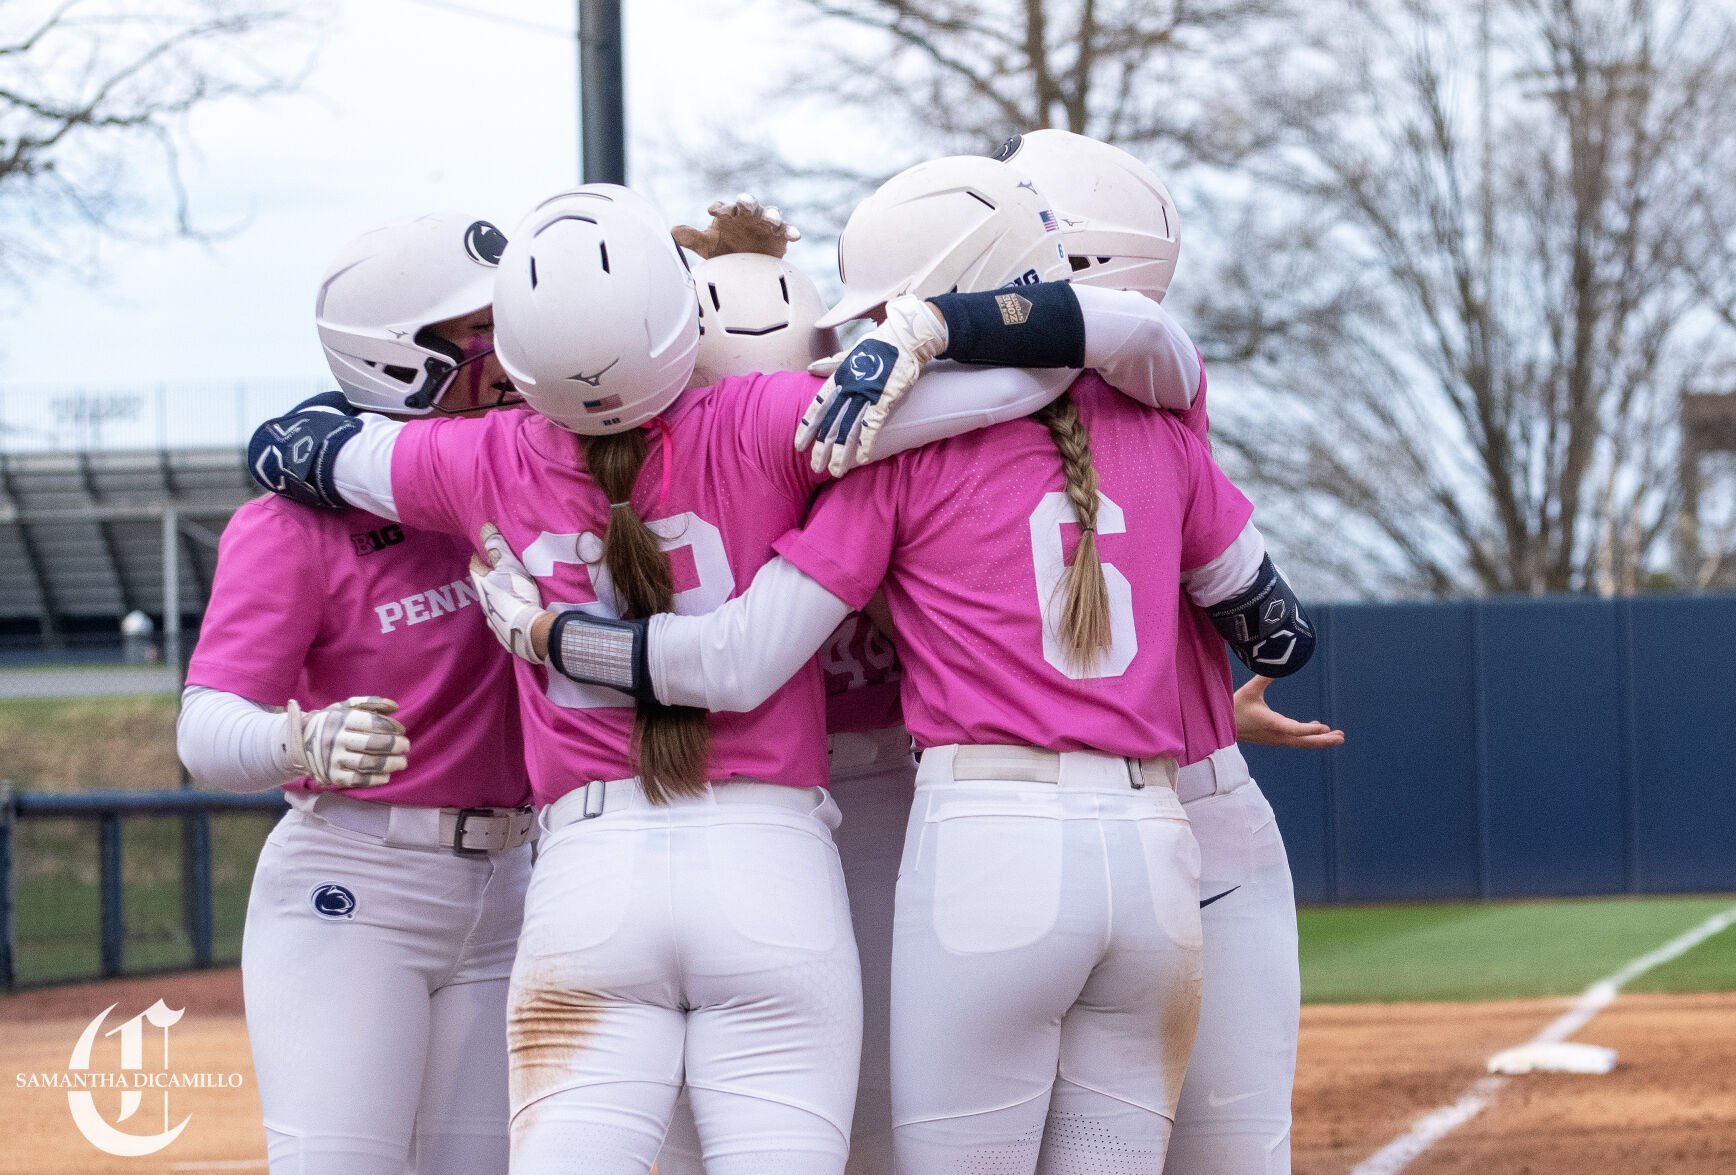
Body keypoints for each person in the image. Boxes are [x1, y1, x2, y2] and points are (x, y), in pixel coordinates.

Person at [243, 181, 1207, 1175]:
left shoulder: (468, 455)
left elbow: (316, 451)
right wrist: (930, 330)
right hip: (769, 862)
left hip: (587, 871)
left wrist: (300, 439)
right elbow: (1037, 376)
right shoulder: (764, 418)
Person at [472, 157, 1318, 1175]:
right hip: (1155, 833)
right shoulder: (1160, 419)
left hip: (979, 836)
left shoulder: (898, 460)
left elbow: (737, 660)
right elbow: (1278, 630)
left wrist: (551, 637)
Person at [1002, 127, 1343, 1175]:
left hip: (1029, 826)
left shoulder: (937, 425)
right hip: (1186, 802)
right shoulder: (1166, 402)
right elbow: (1278, 627)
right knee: (1231, 1153)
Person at [176, 210, 533, 1175]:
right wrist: (304, 742)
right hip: (359, 884)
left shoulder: (527, 468)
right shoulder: (291, 525)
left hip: (521, 886)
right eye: (477, 333)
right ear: (396, 355)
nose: (509, 354)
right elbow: (204, 730)